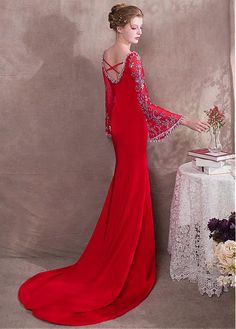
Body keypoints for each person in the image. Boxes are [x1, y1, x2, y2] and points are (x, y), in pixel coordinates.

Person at [17, 3, 211, 326]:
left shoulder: (106, 55)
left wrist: (110, 127)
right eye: (135, 27)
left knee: (127, 187)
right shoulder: (132, 59)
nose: (139, 33)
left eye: (141, 28)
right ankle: (128, 265)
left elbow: (110, 100)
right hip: (132, 127)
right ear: (120, 27)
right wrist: (184, 120)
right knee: (134, 188)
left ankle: (123, 252)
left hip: (121, 127)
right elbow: (146, 106)